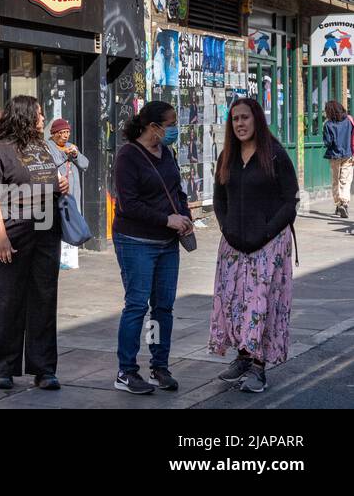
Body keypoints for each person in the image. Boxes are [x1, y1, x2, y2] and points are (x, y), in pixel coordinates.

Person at [0, 95, 70, 391]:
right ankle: (4, 368)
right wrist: (0, 236)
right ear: (26, 116)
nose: (43, 120)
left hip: (46, 232)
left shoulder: (41, 146)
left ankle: (44, 369)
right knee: (8, 300)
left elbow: (49, 179)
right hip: (12, 232)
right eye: (39, 115)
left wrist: (60, 184)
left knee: (44, 299)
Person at [208, 97, 299, 393]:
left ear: (257, 119)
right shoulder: (227, 157)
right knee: (235, 304)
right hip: (233, 247)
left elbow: (289, 202)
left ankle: (259, 368)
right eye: (235, 119)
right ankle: (243, 357)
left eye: (245, 118)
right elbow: (220, 200)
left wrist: (267, 232)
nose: (240, 124)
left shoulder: (274, 155)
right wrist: (227, 229)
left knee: (261, 304)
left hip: (269, 246)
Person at [111, 101, 194, 395]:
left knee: (163, 307)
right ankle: (126, 371)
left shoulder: (166, 152)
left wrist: (185, 216)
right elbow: (128, 205)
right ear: (153, 127)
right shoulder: (128, 157)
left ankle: (159, 366)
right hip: (136, 242)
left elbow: (177, 191)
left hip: (167, 242)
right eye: (170, 124)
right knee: (136, 305)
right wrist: (166, 219)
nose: (175, 129)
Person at [321, 100, 353, 220]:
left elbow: (328, 142)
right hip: (348, 154)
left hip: (335, 156)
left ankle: (339, 204)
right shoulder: (349, 121)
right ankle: (344, 203)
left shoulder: (328, 124)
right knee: (345, 180)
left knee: (335, 181)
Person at [47, 118, 89, 201]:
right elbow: (51, 163)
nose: (66, 136)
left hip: (74, 193)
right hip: (58, 192)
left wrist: (76, 155)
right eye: (62, 132)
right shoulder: (48, 146)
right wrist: (64, 154)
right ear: (54, 133)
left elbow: (85, 165)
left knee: (74, 212)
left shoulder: (70, 146)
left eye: (68, 132)